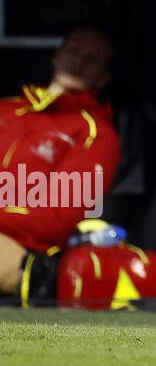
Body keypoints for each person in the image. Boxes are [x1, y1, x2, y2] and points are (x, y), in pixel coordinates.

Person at [0, 26, 120, 305]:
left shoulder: (96, 134)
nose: (78, 62)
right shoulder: (6, 108)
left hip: (26, 253)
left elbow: (56, 219)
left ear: (103, 77)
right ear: (57, 55)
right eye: (74, 50)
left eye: (92, 59)